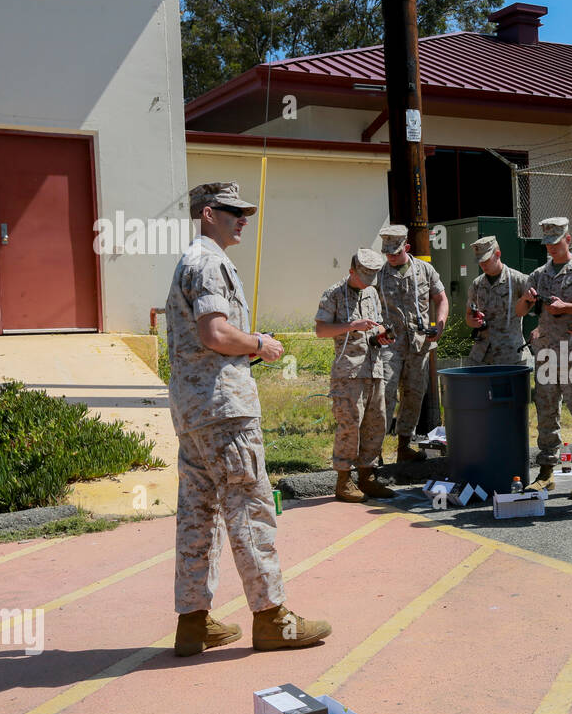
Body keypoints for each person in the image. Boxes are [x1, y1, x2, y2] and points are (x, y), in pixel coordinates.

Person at [166, 181, 331, 655]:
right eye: (234, 211)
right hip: (224, 412)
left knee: (199, 516)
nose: (243, 219)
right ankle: (272, 617)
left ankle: (193, 623)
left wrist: (246, 344)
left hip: (195, 411)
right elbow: (216, 332)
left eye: (246, 213)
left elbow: (206, 338)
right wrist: (260, 344)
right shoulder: (209, 261)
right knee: (249, 508)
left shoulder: (193, 260)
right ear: (208, 213)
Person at [515, 216, 572, 498]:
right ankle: (546, 472)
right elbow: (518, 311)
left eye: (555, 242)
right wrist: (527, 300)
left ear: (568, 239)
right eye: (547, 244)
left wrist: (567, 307)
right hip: (546, 356)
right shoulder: (539, 275)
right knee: (546, 413)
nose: (550, 248)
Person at [314, 248, 396, 502]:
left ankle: (367, 477)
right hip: (348, 371)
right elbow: (320, 330)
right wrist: (351, 326)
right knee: (350, 426)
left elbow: (378, 323)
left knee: (376, 424)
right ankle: (343, 480)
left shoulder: (371, 293)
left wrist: (382, 333)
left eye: (373, 276)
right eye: (364, 276)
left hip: (374, 368)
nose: (369, 281)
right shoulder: (334, 294)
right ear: (351, 271)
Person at [376, 224, 448, 462]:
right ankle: (373, 453)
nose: (391, 257)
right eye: (387, 253)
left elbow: (441, 298)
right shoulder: (378, 274)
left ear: (406, 247)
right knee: (384, 395)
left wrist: (439, 323)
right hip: (390, 345)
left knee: (414, 395)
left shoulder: (425, 270)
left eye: (395, 252)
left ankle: (404, 446)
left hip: (418, 345)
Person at [464, 235, 531, 366]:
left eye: (486, 260)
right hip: (482, 356)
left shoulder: (517, 280)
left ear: (498, 254)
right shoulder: (477, 284)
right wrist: (473, 322)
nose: (482, 264)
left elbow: (542, 303)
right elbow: (468, 315)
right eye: (479, 260)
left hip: (511, 355)